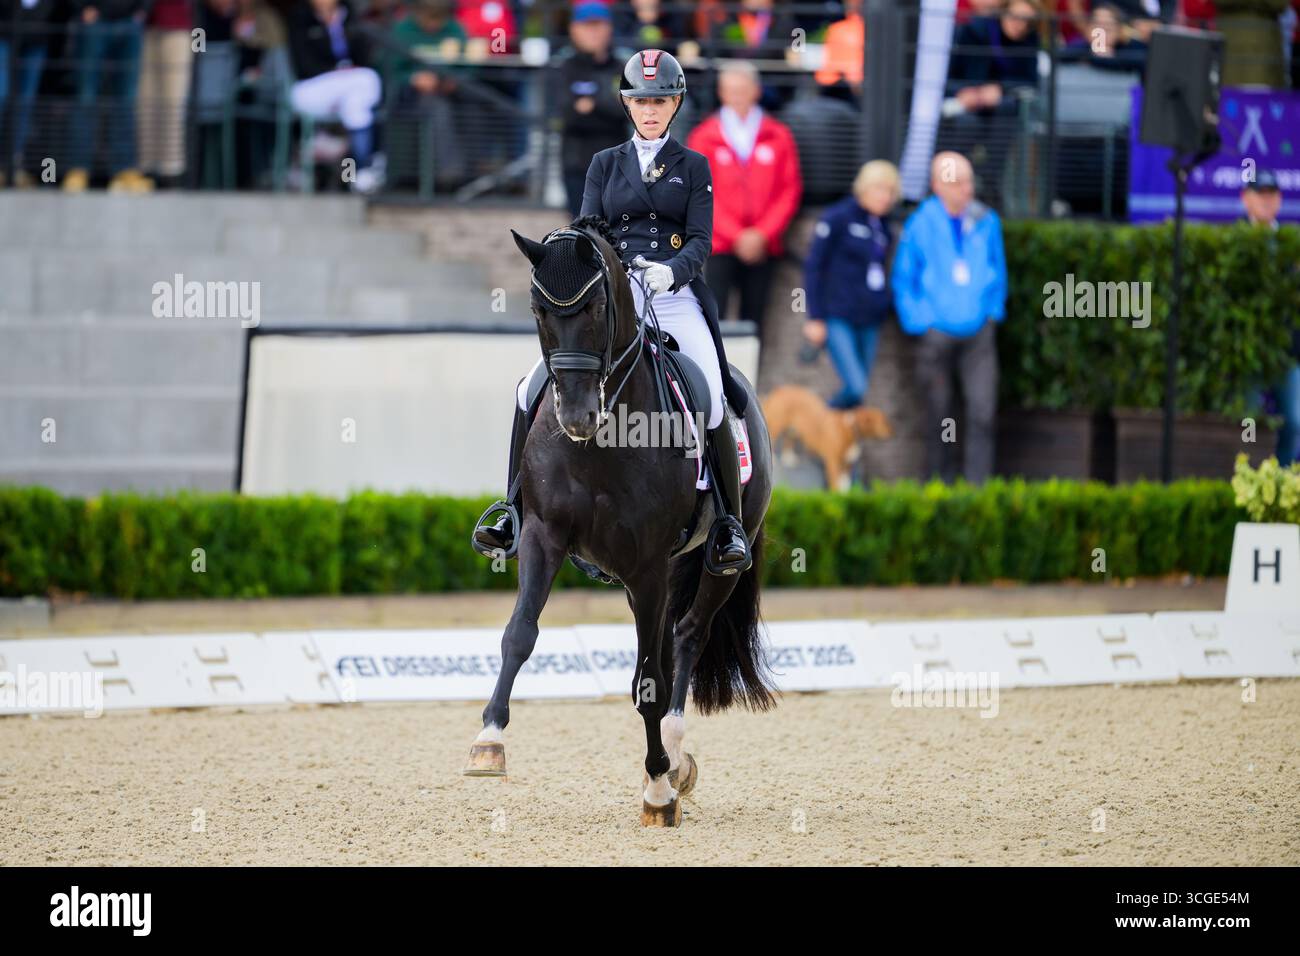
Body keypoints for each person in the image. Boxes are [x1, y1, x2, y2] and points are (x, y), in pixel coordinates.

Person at [473, 49, 754, 575]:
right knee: (528, 389)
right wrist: (605, 275)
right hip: (613, 301)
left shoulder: (694, 167)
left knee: (713, 397)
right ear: (628, 105)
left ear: (675, 104)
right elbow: (586, 233)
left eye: (659, 100)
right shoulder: (604, 164)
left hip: (673, 298)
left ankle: (726, 526)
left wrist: (670, 271)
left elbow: (701, 241)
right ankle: (511, 508)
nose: (650, 110)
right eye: (641, 100)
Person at [892, 151, 1007, 483]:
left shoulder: (986, 220)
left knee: (983, 411)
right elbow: (903, 279)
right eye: (957, 182)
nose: (966, 190)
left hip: (978, 334)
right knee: (939, 415)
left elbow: (998, 271)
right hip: (936, 333)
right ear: (937, 185)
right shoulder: (920, 223)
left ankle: (976, 489)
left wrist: (992, 313)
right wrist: (921, 321)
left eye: (969, 181)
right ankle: (938, 485)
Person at [687, 60, 801, 339]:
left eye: (743, 89)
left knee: (756, 321)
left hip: (764, 245)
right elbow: (699, 192)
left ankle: (747, 381)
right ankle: (716, 382)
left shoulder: (778, 135)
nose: (737, 96)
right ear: (722, 93)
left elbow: (790, 189)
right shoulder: (704, 137)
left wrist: (761, 234)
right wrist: (737, 235)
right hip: (721, 244)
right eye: (730, 90)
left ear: (756, 91)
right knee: (713, 319)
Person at [803, 160, 902, 409]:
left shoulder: (883, 226)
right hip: (839, 314)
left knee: (860, 393)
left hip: (870, 317)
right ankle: (821, 419)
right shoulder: (838, 217)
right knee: (856, 386)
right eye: (880, 189)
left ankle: (840, 446)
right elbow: (814, 267)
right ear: (864, 187)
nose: (886, 197)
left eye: (891, 192)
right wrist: (815, 316)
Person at [286, 0, 384, 194]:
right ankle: (366, 164)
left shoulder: (349, 16)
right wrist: (337, 71)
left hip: (348, 89)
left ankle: (357, 173)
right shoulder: (300, 19)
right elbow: (303, 64)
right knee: (366, 80)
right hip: (312, 86)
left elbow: (363, 57)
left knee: (357, 109)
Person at [548, 2, 629, 218]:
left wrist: (593, 105)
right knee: (582, 232)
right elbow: (566, 115)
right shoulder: (563, 67)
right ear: (574, 29)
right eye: (587, 26)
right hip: (577, 164)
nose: (594, 32)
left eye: (599, 25)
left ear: (609, 28)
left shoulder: (622, 67)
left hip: (617, 165)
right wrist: (608, 105)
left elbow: (628, 111)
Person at [1240, 170, 1299, 466]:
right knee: (1246, 423)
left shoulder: (1293, 245)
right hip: (1246, 353)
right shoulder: (1232, 245)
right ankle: (1247, 482)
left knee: (1296, 421)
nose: (1266, 201)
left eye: (1271, 195)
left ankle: (1285, 482)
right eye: (1260, 194)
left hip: (1286, 351)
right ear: (1245, 199)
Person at [64, 0, 152, 193]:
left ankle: (124, 169)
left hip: (130, 21)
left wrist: (142, 9)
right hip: (94, 20)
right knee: (85, 97)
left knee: (126, 98)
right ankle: (78, 168)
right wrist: (82, 8)